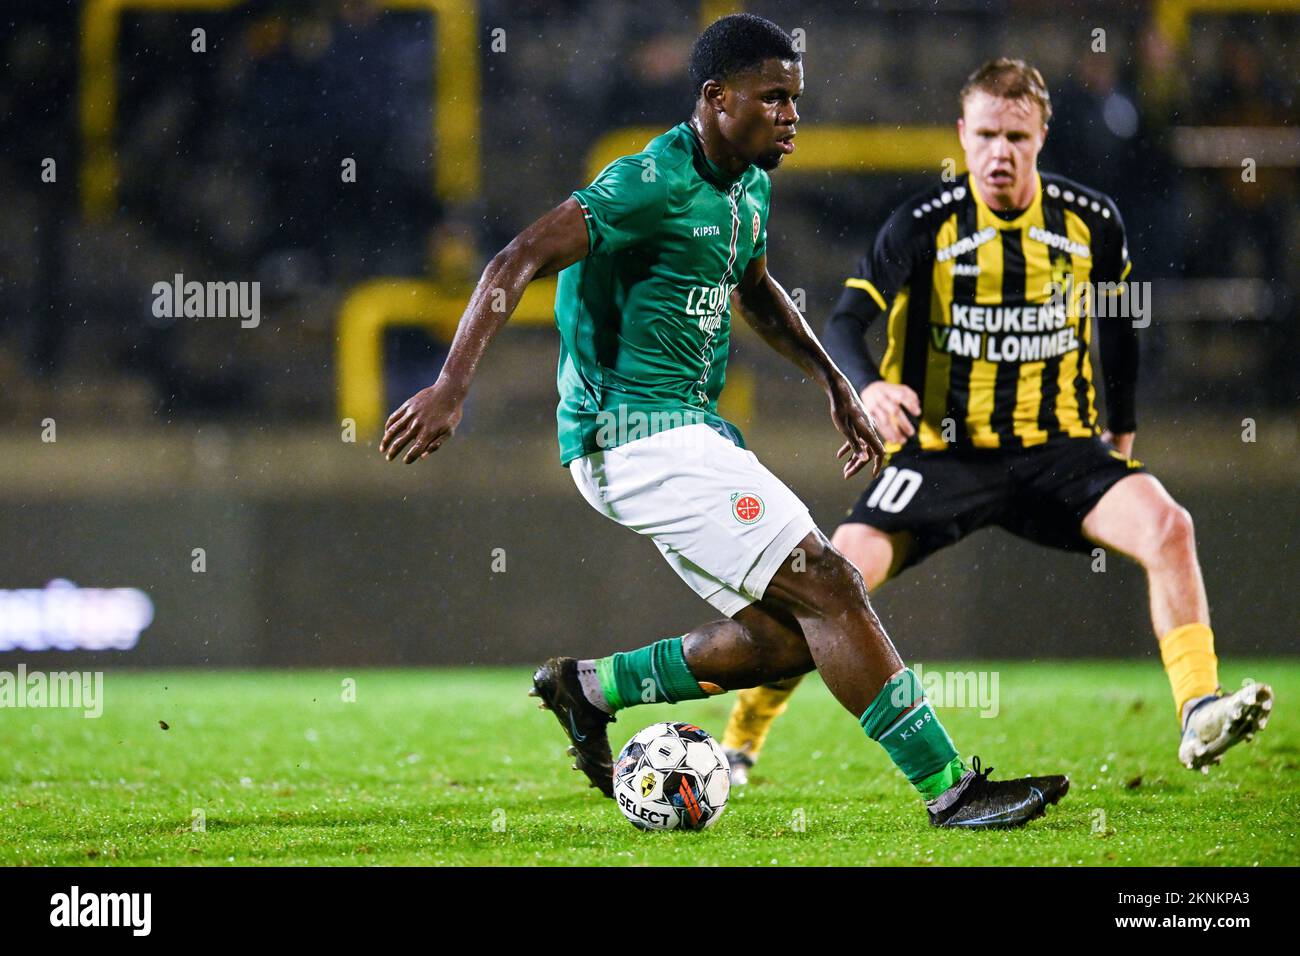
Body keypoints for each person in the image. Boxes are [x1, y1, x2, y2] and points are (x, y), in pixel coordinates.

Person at [381, 17, 1068, 829]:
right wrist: (451, 385)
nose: (791, 115)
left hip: (684, 433)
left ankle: (588, 687)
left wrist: (834, 380)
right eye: (773, 97)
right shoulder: (646, 181)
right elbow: (514, 260)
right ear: (716, 98)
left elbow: (755, 287)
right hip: (631, 434)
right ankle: (951, 791)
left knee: (786, 640)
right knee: (833, 581)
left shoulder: (748, 185)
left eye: (796, 99)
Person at [720, 58, 1273, 786]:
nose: (999, 153)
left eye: (1016, 135)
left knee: (1170, 526)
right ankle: (739, 743)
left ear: (1042, 133)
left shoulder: (1093, 222)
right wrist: (872, 386)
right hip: (943, 457)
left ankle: (1198, 709)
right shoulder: (923, 226)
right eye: (985, 135)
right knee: (828, 581)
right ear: (962, 133)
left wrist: (1125, 424)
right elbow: (847, 318)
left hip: (1060, 452)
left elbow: (1119, 327)